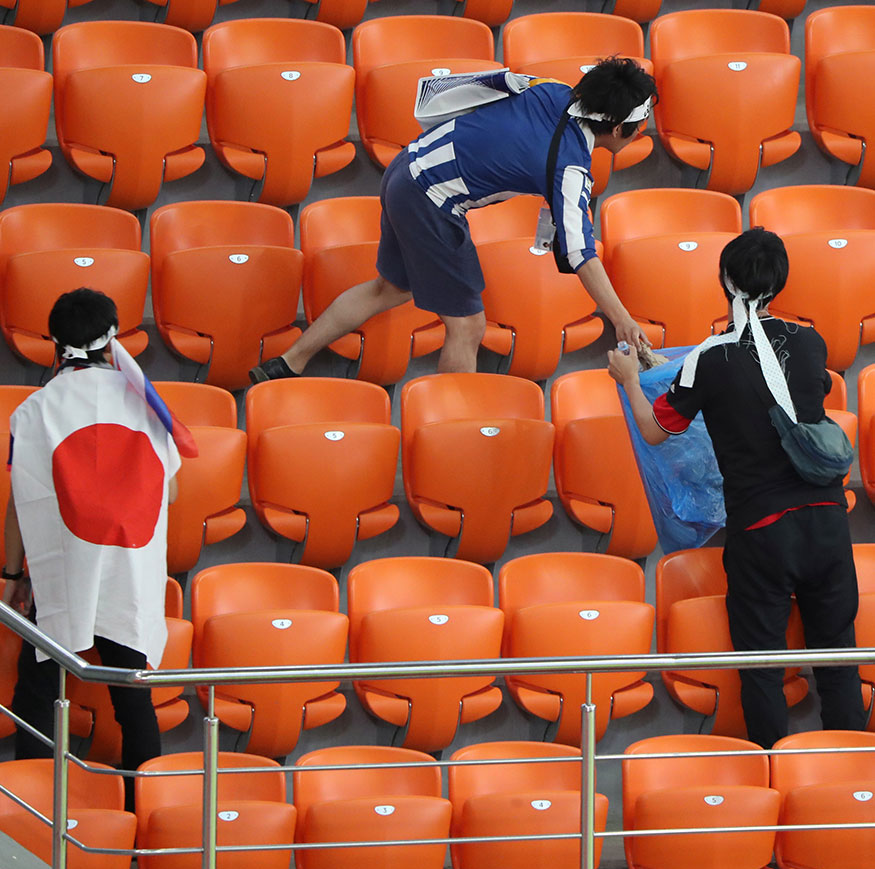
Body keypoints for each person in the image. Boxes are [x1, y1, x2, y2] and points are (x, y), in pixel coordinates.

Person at [607, 228, 866, 748]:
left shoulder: (709, 358)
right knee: (838, 660)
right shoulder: (812, 344)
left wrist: (630, 380)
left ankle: (773, 781)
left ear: (725, 280)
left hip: (762, 532)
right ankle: (854, 784)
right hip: (827, 523)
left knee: (762, 667)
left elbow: (659, 432)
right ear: (780, 282)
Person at [250, 56, 658, 382]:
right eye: (640, 127)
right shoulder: (568, 167)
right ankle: (451, 428)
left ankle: (289, 361)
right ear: (621, 129)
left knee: (388, 289)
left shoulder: (551, 90)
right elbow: (580, 253)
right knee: (467, 326)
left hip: (405, 167)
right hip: (429, 200)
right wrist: (621, 319)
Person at [2, 288, 195, 810]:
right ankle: (142, 819)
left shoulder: (34, 409)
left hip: (65, 569)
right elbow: (170, 489)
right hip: (128, 568)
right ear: (114, 337)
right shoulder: (143, 400)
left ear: (53, 342)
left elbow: (23, 501)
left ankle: (30, 813)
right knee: (133, 703)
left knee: (37, 694)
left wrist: (11, 573)